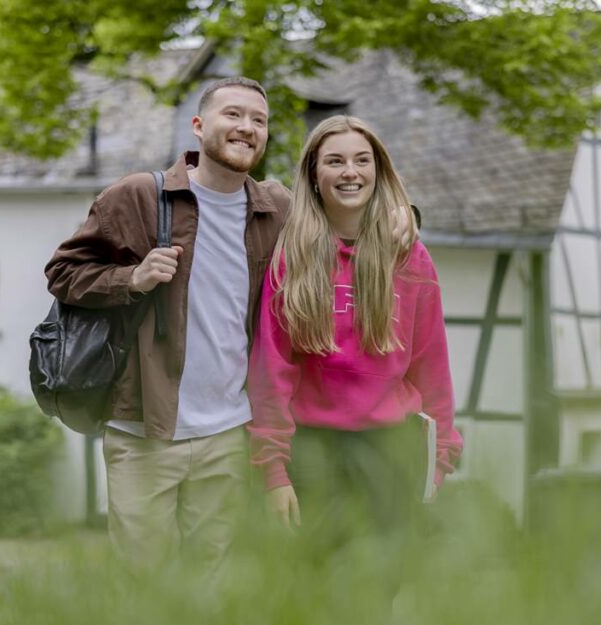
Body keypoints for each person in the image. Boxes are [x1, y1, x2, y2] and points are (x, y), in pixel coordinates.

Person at [46, 79, 415, 575]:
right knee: (142, 585)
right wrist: (131, 278)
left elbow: (348, 219)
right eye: (233, 115)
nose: (246, 128)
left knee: (211, 586)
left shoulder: (277, 208)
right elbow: (63, 273)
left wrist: (405, 217)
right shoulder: (139, 197)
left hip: (227, 433)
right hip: (143, 429)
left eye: (258, 121)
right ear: (199, 127)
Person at [247, 115, 463, 560]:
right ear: (314, 174)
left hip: (391, 453)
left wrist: (440, 458)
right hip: (313, 454)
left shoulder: (410, 257)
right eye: (335, 161)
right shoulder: (293, 257)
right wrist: (274, 471)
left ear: (378, 172)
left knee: (380, 596)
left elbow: (431, 365)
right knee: (312, 594)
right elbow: (272, 371)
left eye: (363, 160)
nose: (351, 172)